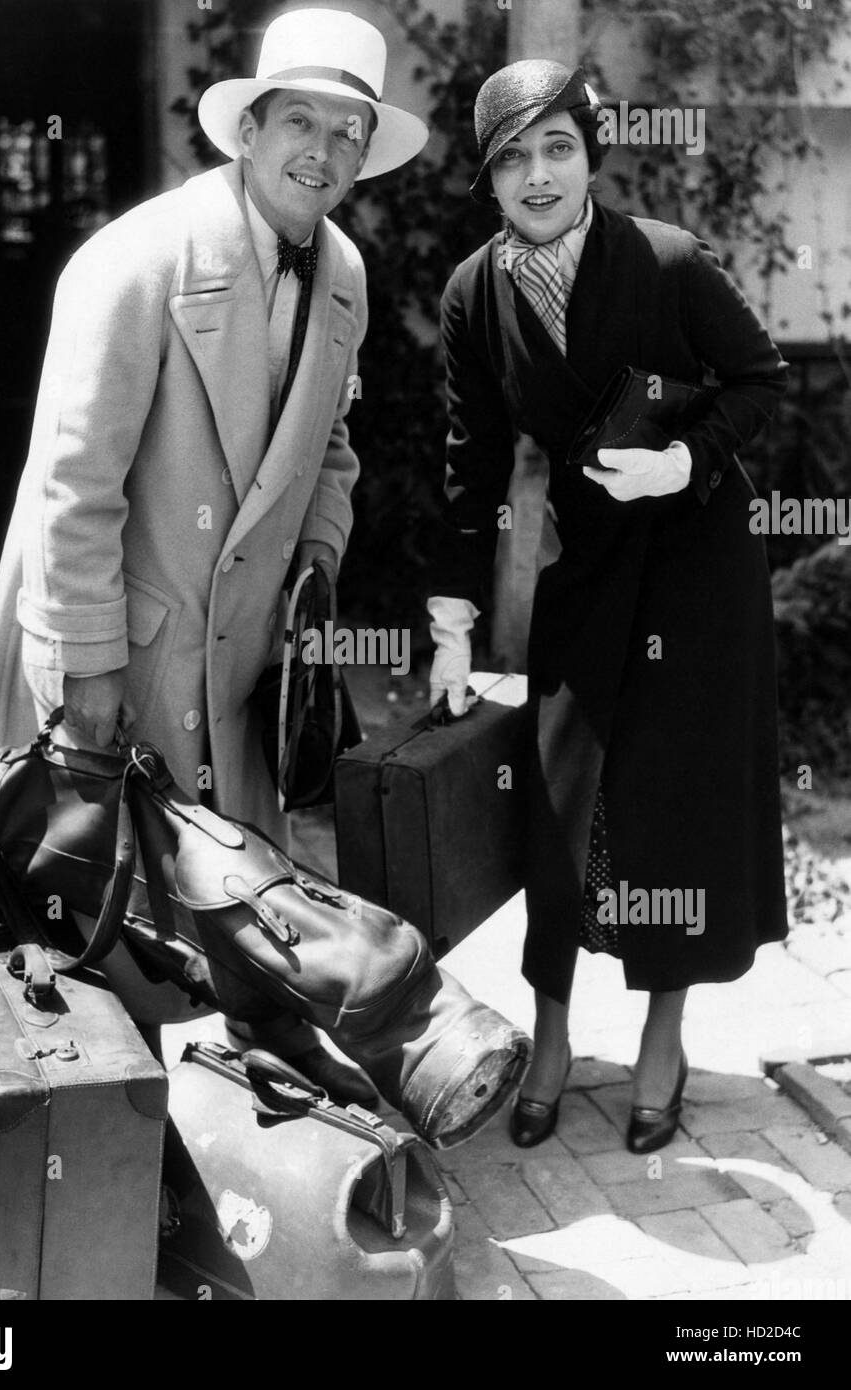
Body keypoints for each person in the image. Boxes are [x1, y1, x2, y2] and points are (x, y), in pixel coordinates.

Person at [0, 8, 428, 1103]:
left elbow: (335, 447)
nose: (321, 150)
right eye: (299, 121)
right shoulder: (135, 263)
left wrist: (314, 571)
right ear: (249, 130)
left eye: (347, 131)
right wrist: (88, 673)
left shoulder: (345, 271)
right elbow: (73, 490)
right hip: (127, 642)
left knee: (218, 895)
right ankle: (90, 1153)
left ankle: (223, 1130)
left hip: (243, 657)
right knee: (91, 896)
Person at [428, 60, 789, 1152]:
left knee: (674, 802)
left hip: (697, 572)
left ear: (590, 154)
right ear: (487, 179)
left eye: (557, 149)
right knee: (561, 798)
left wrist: (685, 461)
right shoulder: (473, 294)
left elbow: (762, 379)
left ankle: (663, 1039)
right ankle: (549, 1026)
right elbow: (470, 458)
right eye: (511, 159)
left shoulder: (669, 260)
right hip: (585, 574)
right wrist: (449, 618)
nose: (537, 176)